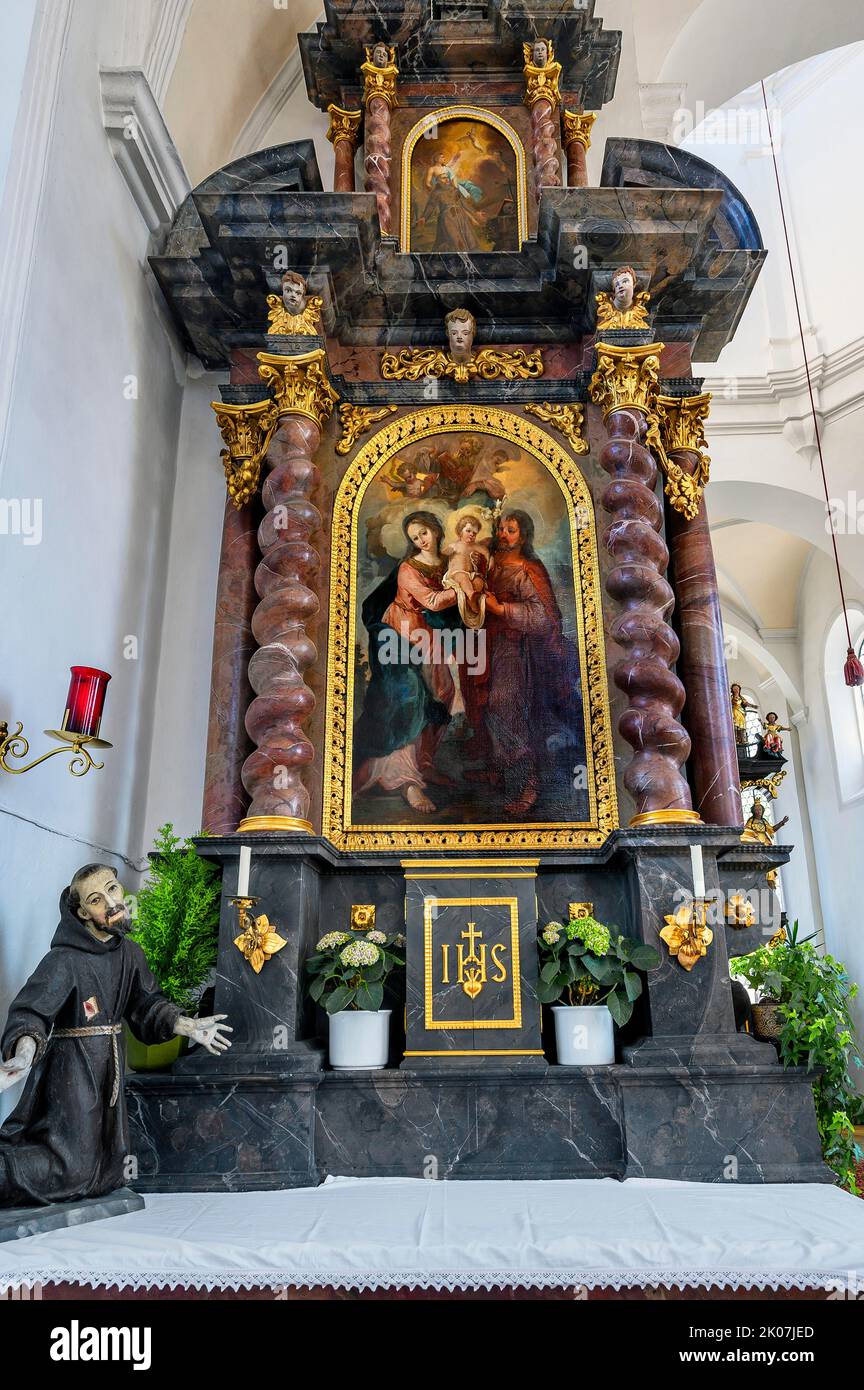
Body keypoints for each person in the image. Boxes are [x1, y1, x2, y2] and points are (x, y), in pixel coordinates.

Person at [0, 864, 231, 1207]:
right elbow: (32, 1013)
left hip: (109, 1071)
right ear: (81, 912)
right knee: (70, 1167)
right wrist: (23, 1052)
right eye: (96, 899)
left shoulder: (129, 954)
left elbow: (147, 1007)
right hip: (72, 1074)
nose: (110, 902)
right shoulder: (64, 960)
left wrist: (187, 1025)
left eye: (112, 889)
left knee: (107, 1169)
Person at [468, 509, 581, 815]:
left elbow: (544, 617)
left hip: (514, 648)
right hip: (488, 643)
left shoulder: (528, 568)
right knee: (483, 703)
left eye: (511, 529)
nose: (504, 534)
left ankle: (528, 783)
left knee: (506, 704)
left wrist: (501, 609)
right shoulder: (493, 563)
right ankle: (498, 770)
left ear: (524, 534)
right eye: (501, 528)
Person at [353, 511, 461, 814]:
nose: (420, 540)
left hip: (426, 633)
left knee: (444, 693)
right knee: (410, 698)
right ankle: (405, 779)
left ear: (436, 530)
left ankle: (424, 764)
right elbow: (432, 601)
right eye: (414, 537)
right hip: (401, 633)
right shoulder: (407, 569)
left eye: (424, 532)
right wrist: (465, 590)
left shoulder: (447, 560)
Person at [443, 514, 492, 626]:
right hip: (456, 574)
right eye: (468, 531)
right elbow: (442, 554)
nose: (471, 534)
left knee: (478, 580)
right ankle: (470, 595)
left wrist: (490, 559)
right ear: (460, 531)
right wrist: (446, 552)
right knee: (463, 578)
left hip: (470, 574)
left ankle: (472, 599)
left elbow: (486, 552)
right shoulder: (455, 545)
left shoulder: (475, 546)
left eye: (474, 533)